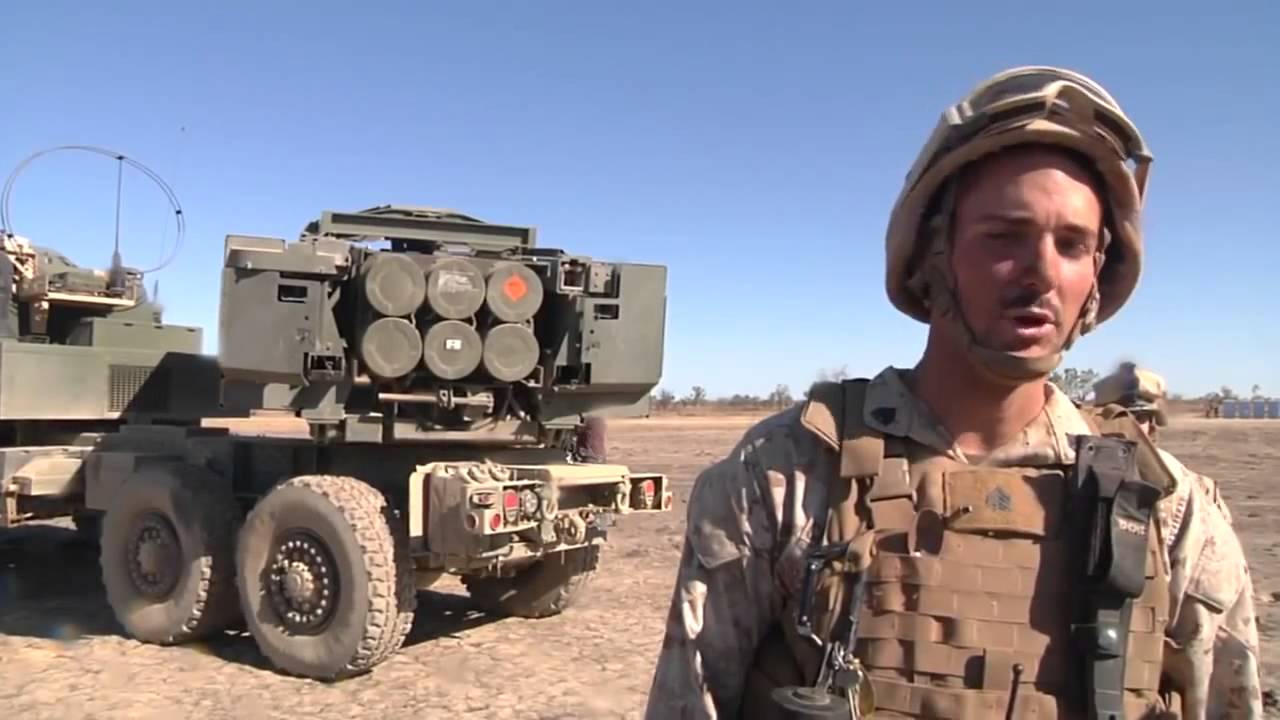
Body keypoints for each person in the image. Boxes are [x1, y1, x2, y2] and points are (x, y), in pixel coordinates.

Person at [644, 66, 1261, 719]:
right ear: (933, 252)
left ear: (1098, 276)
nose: (1042, 273)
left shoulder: (1168, 511)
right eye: (1005, 237)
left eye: (1072, 245)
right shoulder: (788, 476)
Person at [1092, 362, 1169, 441]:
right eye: (1121, 420)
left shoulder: (1159, 454)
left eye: (1139, 418)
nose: (1132, 427)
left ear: (1150, 425)